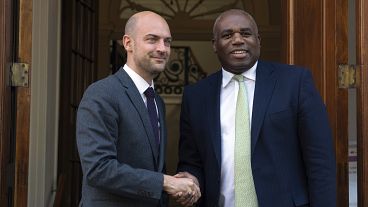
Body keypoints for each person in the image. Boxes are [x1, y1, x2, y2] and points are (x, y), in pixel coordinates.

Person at [177, 9, 336, 207]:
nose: (237, 40)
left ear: (258, 40)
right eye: (227, 35)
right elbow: (191, 161)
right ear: (214, 45)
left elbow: (320, 162)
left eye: (245, 33)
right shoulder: (196, 96)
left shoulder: (295, 83)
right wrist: (190, 180)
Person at [76, 11, 200, 207]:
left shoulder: (156, 100)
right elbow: (99, 169)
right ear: (128, 43)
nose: (162, 48)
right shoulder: (101, 93)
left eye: (167, 41)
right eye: (152, 39)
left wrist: (177, 183)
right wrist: (166, 182)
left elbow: (149, 167)